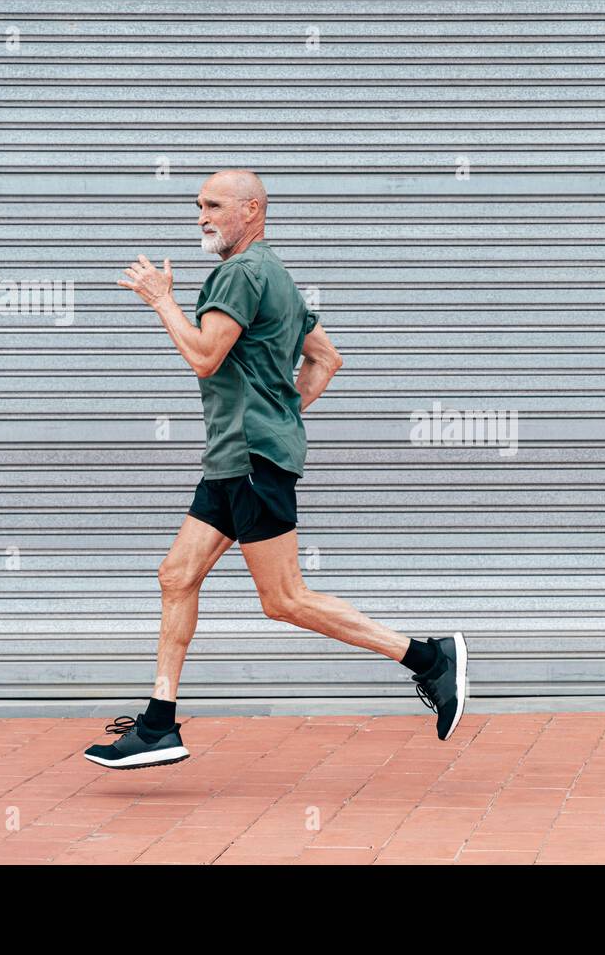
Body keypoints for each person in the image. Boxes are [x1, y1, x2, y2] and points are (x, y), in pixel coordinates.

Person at [83, 170, 467, 770]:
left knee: (285, 599)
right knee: (176, 575)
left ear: (251, 210)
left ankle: (427, 657)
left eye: (213, 205)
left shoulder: (237, 275)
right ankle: (159, 723)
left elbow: (207, 358)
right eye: (198, 206)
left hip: (250, 458)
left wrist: (162, 301)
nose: (201, 217)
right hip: (235, 457)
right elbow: (326, 359)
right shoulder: (278, 276)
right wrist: (282, 411)